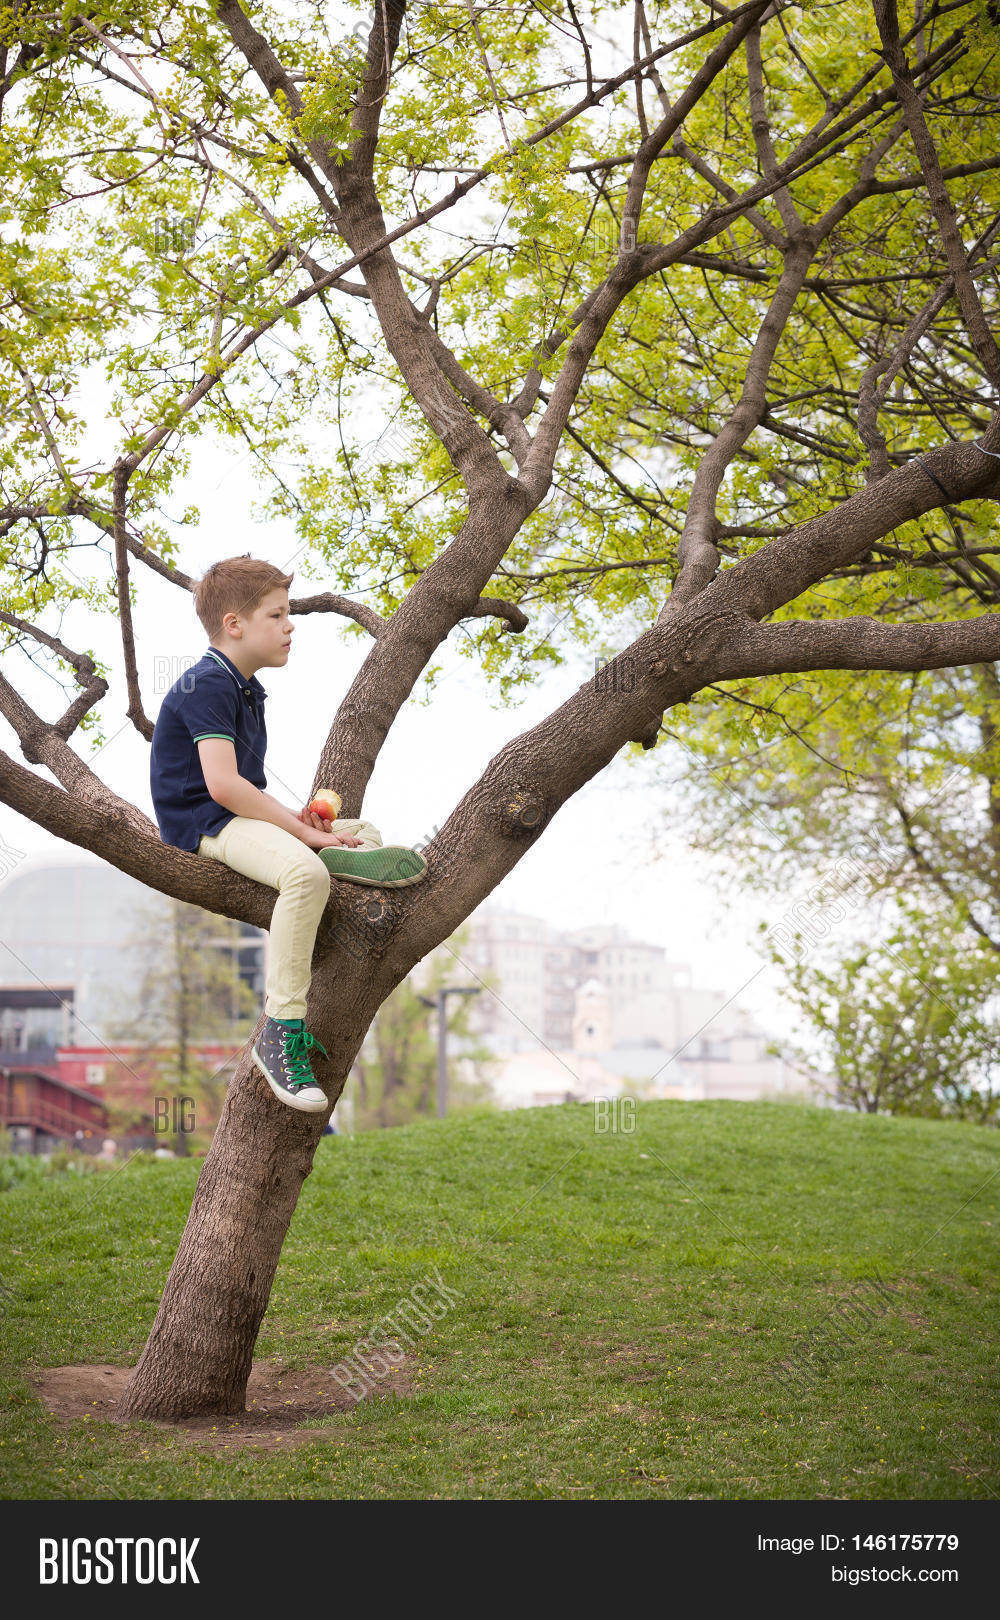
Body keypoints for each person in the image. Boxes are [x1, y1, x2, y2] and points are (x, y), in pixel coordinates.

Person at [148, 555, 427, 1115]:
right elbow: (224, 787)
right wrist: (301, 836)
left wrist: (305, 824)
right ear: (235, 624)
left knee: (359, 830)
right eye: (276, 615)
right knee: (304, 870)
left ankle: (341, 858)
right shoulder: (207, 683)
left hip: (237, 817)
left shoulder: (246, 687)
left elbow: (245, 784)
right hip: (203, 824)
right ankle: (279, 1032)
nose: (290, 625)